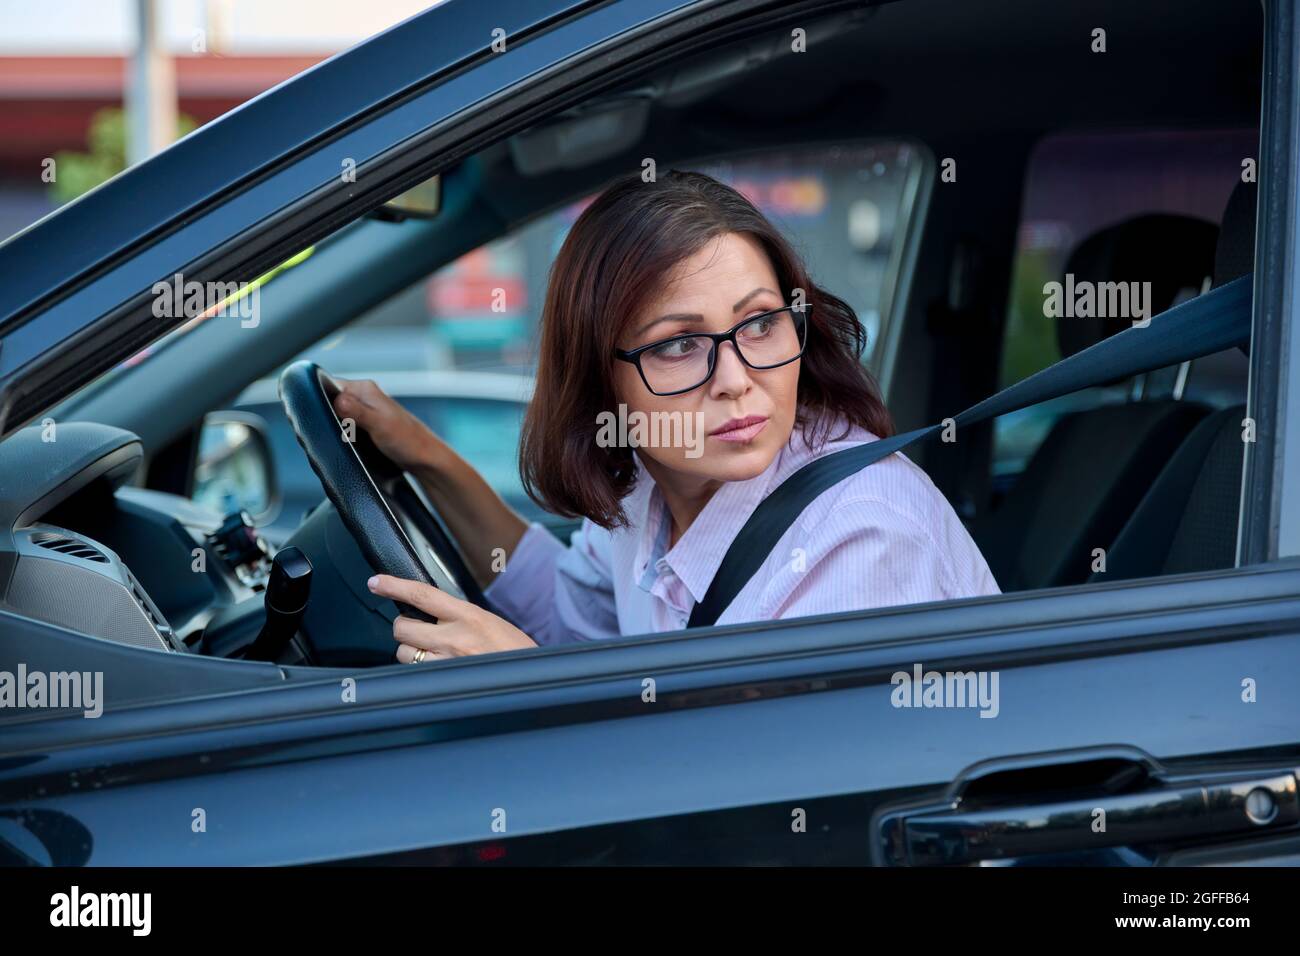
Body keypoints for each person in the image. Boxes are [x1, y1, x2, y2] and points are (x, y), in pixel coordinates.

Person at [332, 169, 999, 661]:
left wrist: (516, 681)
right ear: (601, 381)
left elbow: (769, 806)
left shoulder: (863, 538)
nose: (737, 382)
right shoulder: (654, 486)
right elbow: (568, 616)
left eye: (761, 323)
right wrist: (426, 457)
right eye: (681, 344)